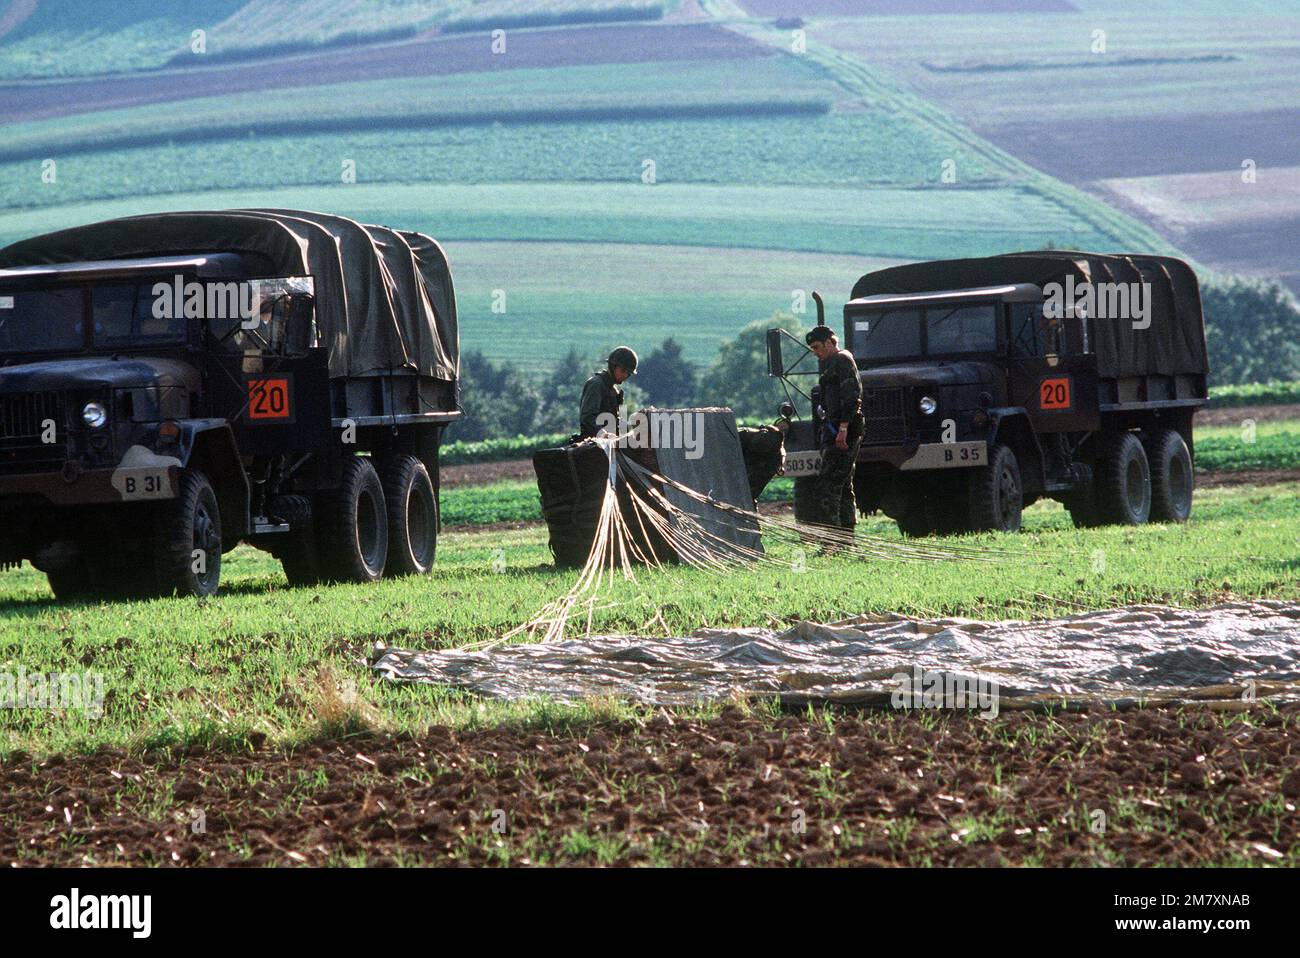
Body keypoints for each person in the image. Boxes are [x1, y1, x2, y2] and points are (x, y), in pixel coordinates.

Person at [805, 325, 863, 529]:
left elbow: (852, 397)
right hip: (835, 430)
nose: (815, 352)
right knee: (843, 486)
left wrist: (843, 429)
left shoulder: (842, 360)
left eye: (817, 347)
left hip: (842, 432)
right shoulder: (832, 363)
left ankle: (833, 541)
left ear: (830, 342)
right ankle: (846, 540)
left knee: (828, 487)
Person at [579, 346, 638, 439]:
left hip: (610, 443)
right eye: (623, 371)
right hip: (592, 444)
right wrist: (603, 434)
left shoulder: (615, 390)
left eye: (628, 373)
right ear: (612, 366)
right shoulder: (596, 384)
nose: (625, 375)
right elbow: (587, 418)